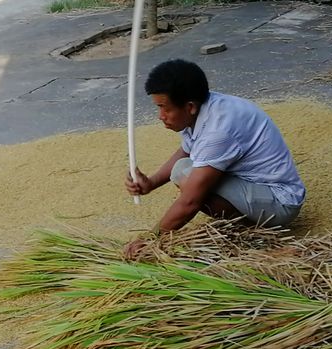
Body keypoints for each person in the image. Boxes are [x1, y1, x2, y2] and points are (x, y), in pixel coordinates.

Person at [124, 59, 306, 259]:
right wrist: (151, 183)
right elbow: (186, 151)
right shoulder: (202, 108)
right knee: (182, 169)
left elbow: (190, 201)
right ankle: (243, 219)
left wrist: (151, 239)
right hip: (255, 188)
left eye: (165, 108)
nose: (160, 116)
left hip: (280, 203)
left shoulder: (218, 131)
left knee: (187, 175)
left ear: (190, 106)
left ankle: (251, 227)